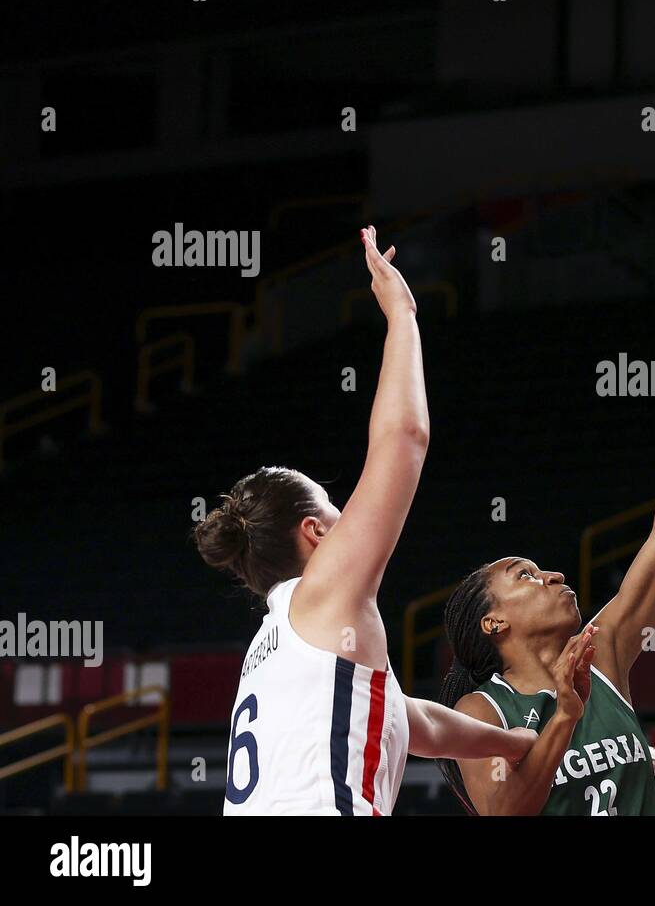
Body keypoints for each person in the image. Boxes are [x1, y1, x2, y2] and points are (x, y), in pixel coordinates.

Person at [195, 227, 536, 816]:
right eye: (333, 505)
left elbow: (415, 721)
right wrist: (403, 314)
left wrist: (516, 743)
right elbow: (403, 438)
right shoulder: (325, 588)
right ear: (316, 533)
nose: (347, 515)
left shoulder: (281, 648)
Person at [436, 283, 655, 815]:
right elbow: (502, 812)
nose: (556, 576)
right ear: (492, 623)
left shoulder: (601, 654)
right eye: (526, 576)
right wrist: (563, 714)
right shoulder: (485, 710)